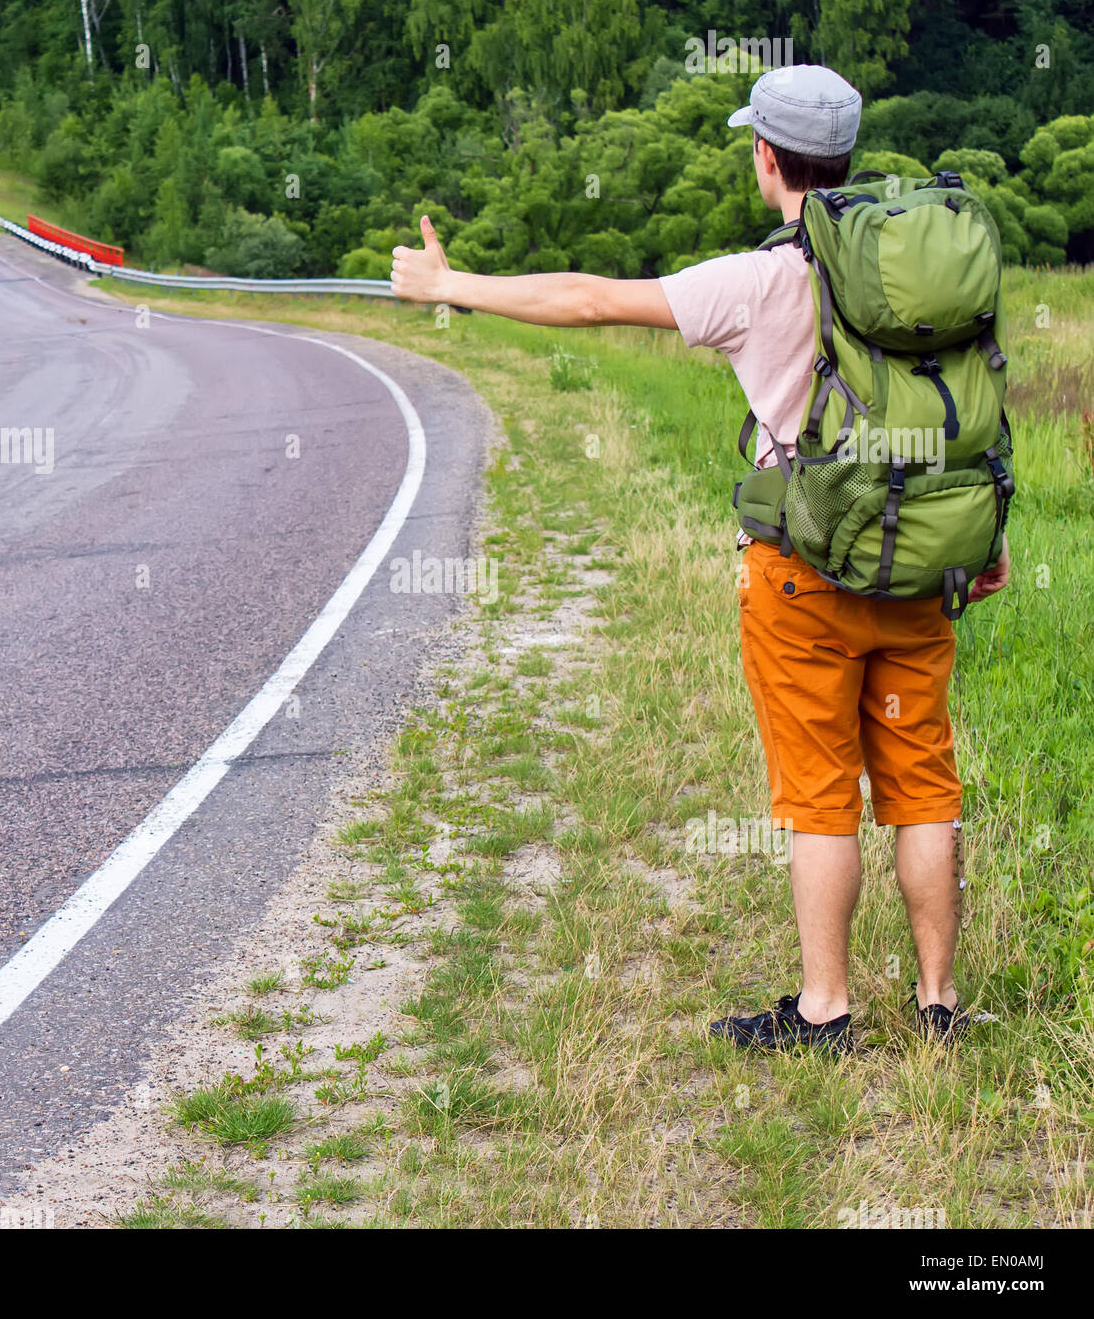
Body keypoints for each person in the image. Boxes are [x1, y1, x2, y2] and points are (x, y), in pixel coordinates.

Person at [390, 64, 1010, 1052]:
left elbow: (590, 300)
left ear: (766, 158)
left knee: (820, 799)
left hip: (802, 572)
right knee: (922, 785)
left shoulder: (759, 280)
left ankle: (824, 1010)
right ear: (846, 155)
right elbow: (965, 408)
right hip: (921, 561)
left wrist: (448, 285)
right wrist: (989, 536)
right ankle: (939, 1004)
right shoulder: (919, 274)